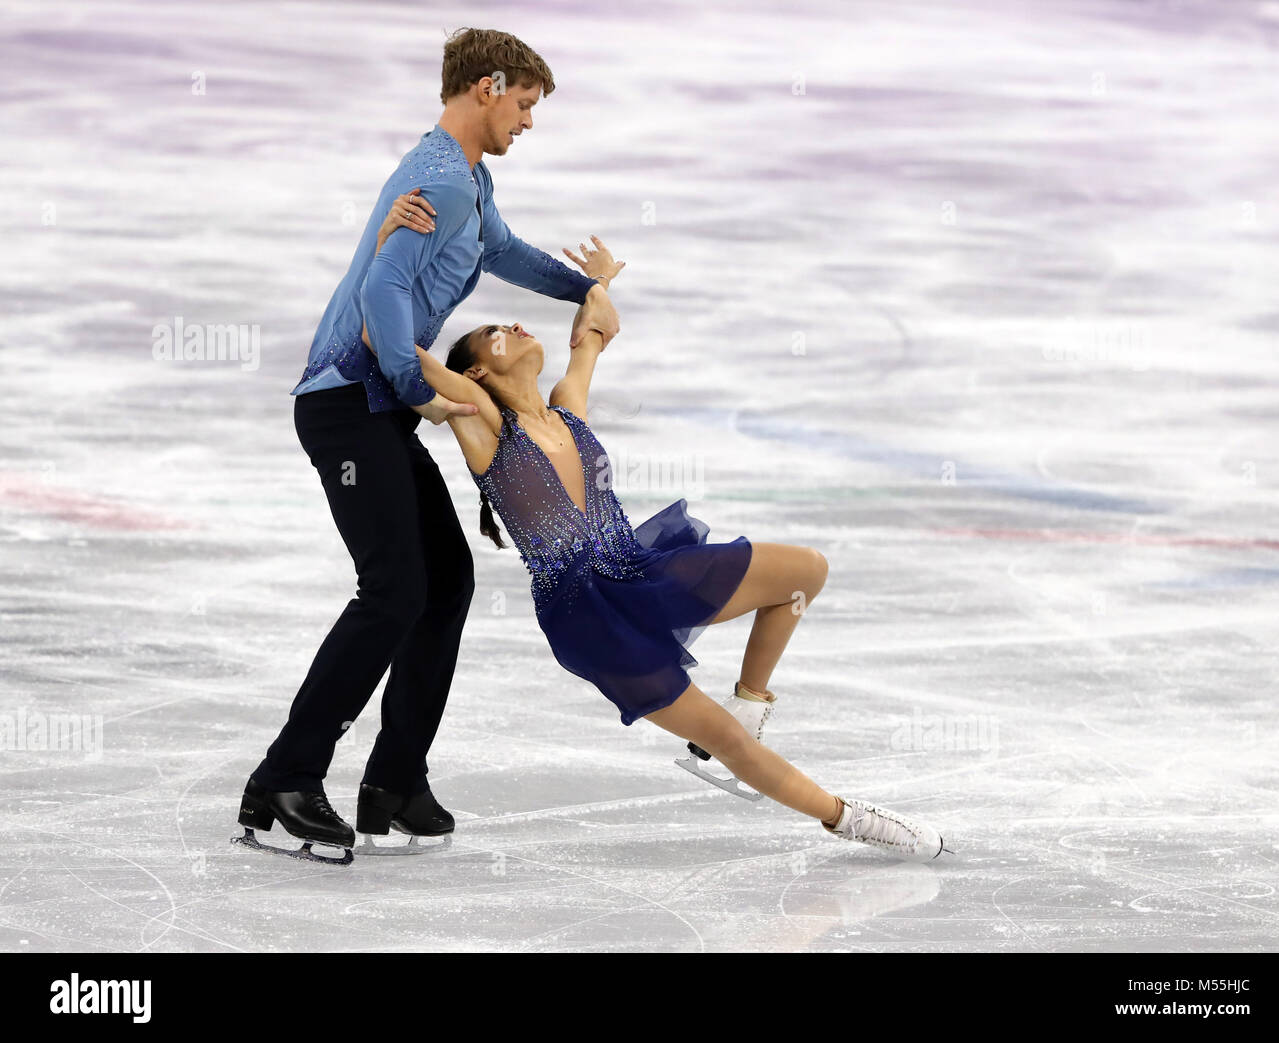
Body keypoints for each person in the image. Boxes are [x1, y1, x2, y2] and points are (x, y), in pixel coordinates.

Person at [392, 227, 947, 862]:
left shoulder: (567, 407)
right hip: (588, 612)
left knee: (805, 573)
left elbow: (595, 330)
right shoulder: (484, 423)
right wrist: (393, 248)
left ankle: (749, 707)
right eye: (497, 331)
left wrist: (598, 283)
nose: (515, 325)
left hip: (638, 569)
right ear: (476, 372)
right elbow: (396, 342)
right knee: (737, 754)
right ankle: (853, 819)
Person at [235, 28, 621, 865]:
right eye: (523, 104)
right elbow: (380, 289)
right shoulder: (441, 180)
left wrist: (585, 288)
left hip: (376, 408)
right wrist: (425, 397)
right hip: (346, 404)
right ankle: (286, 776)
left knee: (445, 580)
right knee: (396, 588)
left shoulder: (467, 182)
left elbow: (504, 250)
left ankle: (393, 780)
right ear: (487, 87)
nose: (527, 122)